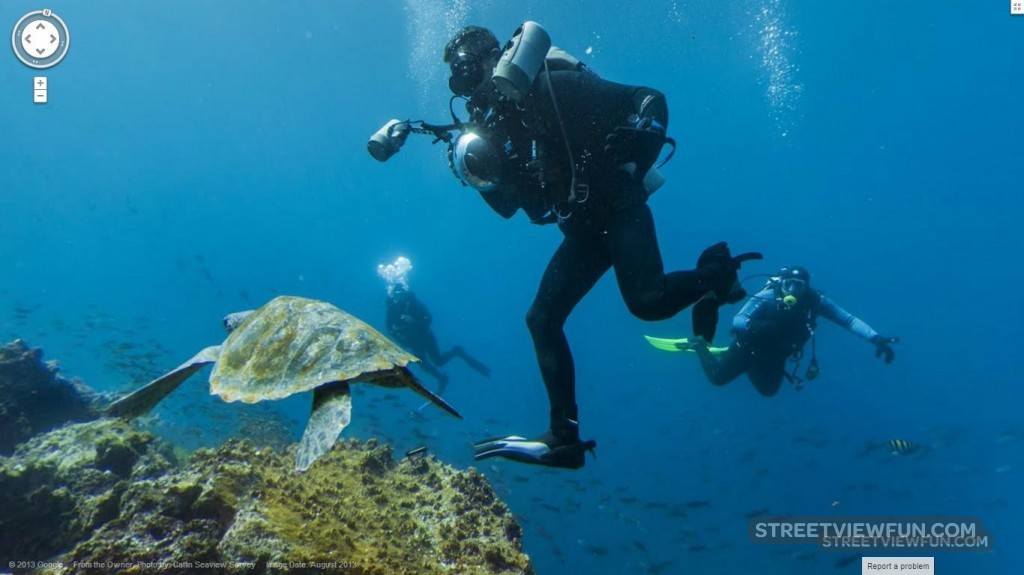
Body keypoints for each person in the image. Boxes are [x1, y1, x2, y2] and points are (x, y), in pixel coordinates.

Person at [435, 24, 761, 469]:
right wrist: (476, 176)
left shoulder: (554, 86)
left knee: (648, 302)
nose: (467, 91)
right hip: (584, 230)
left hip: (619, 207)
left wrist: (641, 139)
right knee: (542, 319)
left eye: (467, 75)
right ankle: (563, 439)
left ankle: (717, 278)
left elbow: (648, 98)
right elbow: (513, 207)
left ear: (493, 62)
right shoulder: (503, 133)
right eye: (458, 82)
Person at [678, 266, 899, 396]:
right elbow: (739, 320)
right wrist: (757, 327)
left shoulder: (815, 302)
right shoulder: (768, 297)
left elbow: (848, 321)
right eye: (789, 283)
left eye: (799, 285)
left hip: (776, 354)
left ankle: (738, 361)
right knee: (717, 379)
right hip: (749, 347)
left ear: (806, 287)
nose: (792, 289)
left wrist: (875, 338)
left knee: (769, 392)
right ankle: (701, 346)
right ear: (782, 282)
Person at [377, 257, 491, 412]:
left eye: (399, 293)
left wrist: (414, 321)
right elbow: (389, 328)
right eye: (395, 294)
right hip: (411, 341)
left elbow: (429, 318)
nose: (397, 297)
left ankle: (457, 352)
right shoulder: (391, 309)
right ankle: (441, 378)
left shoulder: (413, 303)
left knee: (438, 361)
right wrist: (401, 338)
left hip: (425, 336)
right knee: (421, 362)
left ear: (404, 292)